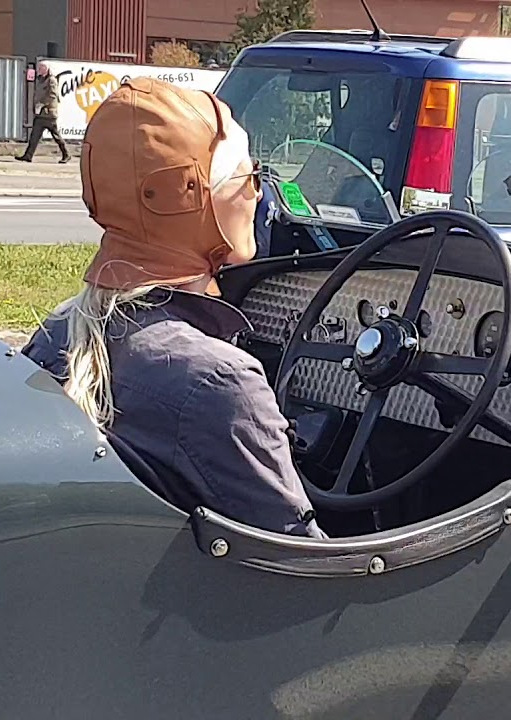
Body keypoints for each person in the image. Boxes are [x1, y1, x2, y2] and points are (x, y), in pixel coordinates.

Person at [22, 77, 325, 539]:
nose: (258, 194)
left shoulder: (60, 332)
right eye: (249, 177)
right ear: (194, 199)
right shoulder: (224, 383)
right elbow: (302, 556)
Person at [17, 64, 70, 164]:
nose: (39, 70)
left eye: (41, 68)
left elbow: (52, 95)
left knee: (56, 136)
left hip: (49, 114)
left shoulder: (51, 80)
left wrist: (43, 104)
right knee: (34, 136)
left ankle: (66, 154)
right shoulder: (41, 80)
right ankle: (28, 156)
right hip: (40, 114)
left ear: (46, 69)